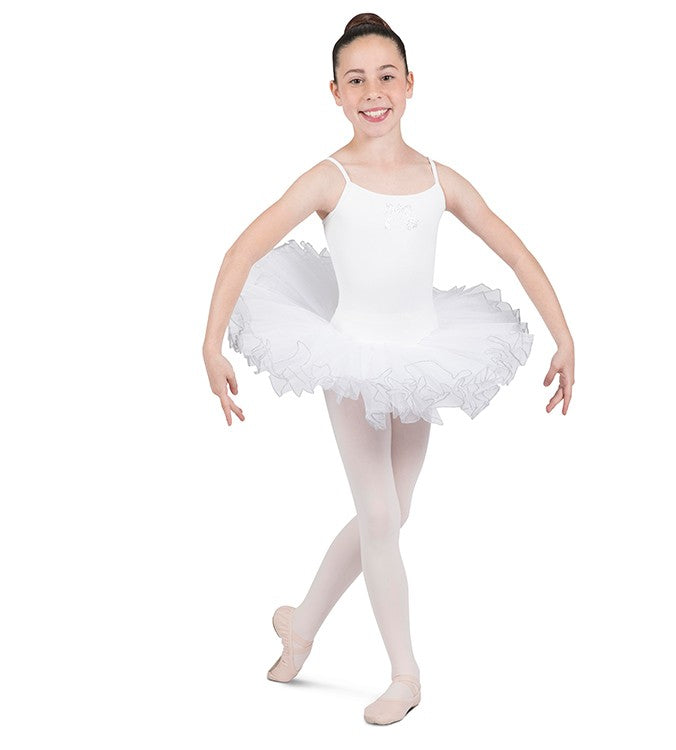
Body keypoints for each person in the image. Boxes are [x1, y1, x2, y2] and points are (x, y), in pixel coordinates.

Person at [202, 12, 575, 725]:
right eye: (356, 80)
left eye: (386, 76)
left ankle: (300, 624)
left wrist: (564, 337)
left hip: (424, 356)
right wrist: (211, 344)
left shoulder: (439, 178)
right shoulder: (329, 178)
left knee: (394, 513)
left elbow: (516, 251)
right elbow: (242, 250)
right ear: (335, 93)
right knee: (380, 514)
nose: (373, 92)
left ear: (409, 84)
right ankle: (406, 675)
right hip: (351, 357)